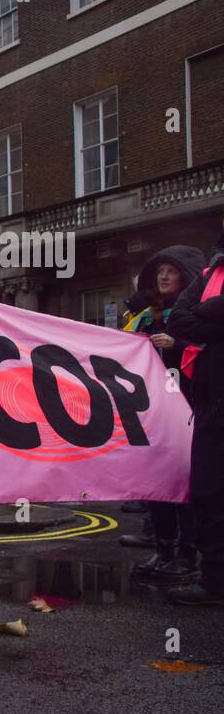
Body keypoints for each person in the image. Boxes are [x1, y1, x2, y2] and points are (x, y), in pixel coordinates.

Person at [123, 246, 202, 580]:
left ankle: (187, 557)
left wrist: (177, 346)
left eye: (172, 270)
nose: (165, 276)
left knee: (185, 486)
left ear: (185, 276)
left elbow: (209, 351)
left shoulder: (196, 313)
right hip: (151, 412)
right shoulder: (143, 317)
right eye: (160, 271)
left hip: (189, 409)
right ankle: (163, 549)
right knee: (157, 484)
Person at [167, 244, 224, 606]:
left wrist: (205, 318)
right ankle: (215, 580)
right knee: (208, 493)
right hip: (210, 404)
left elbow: (191, 319)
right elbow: (178, 319)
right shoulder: (210, 272)